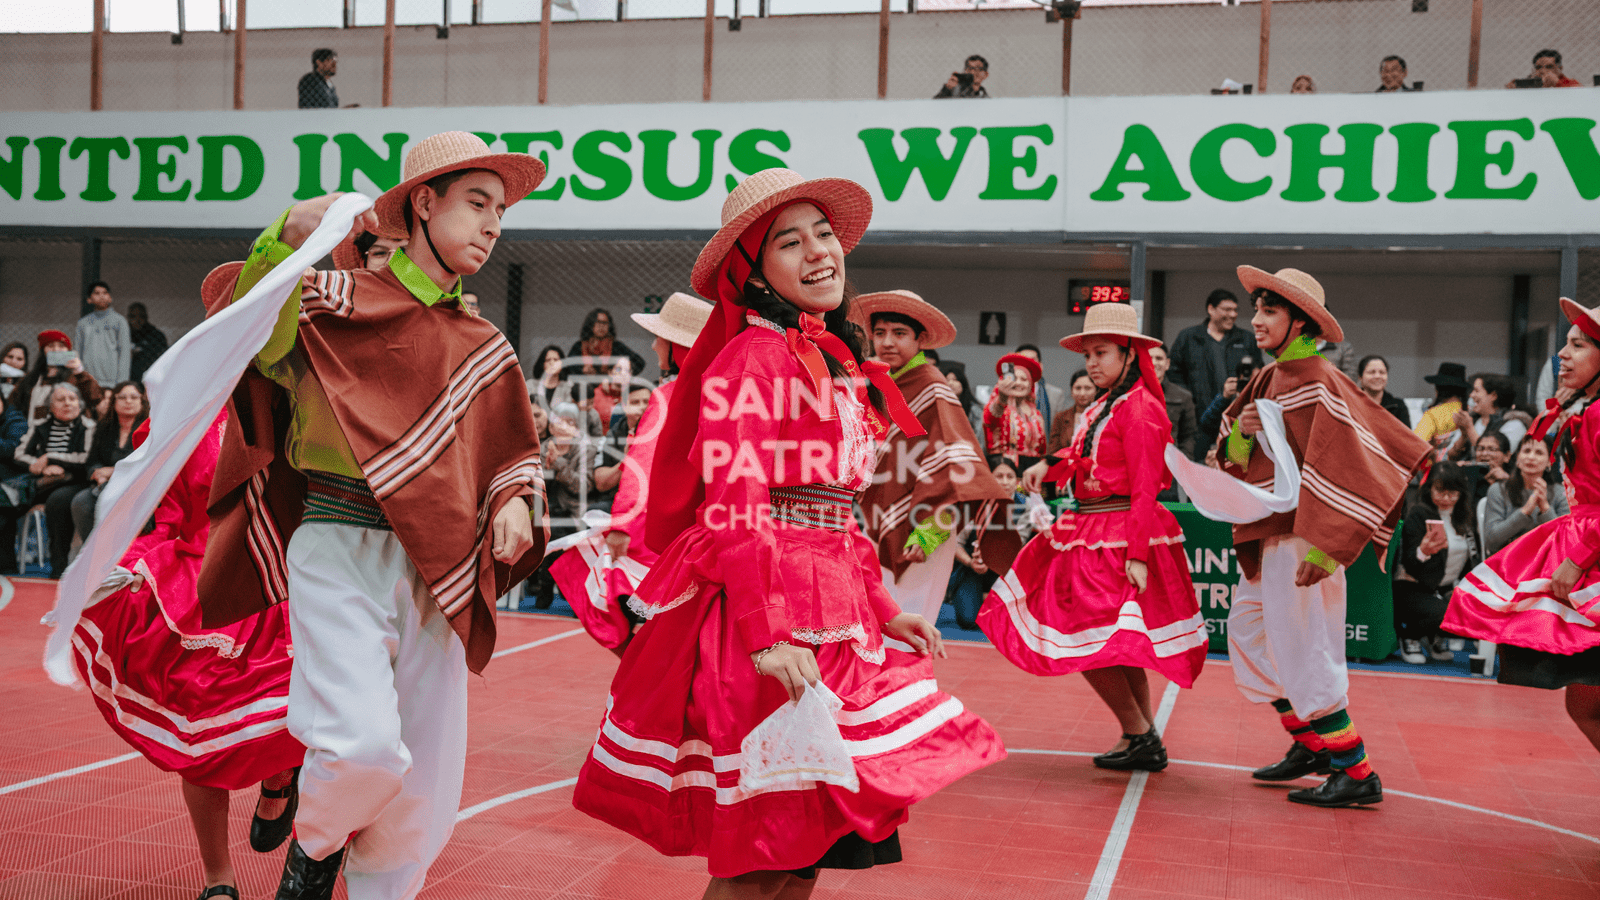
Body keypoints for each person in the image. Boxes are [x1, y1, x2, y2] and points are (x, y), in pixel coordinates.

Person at [572, 168, 1003, 895]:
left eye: (825, 235)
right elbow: (736, 504)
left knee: (808, 845)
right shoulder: (753, 358)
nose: (819, 253)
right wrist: (767, 634)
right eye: (790, 242)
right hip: (770, 617)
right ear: (753, 270)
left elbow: (837, 513)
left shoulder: (833, 363)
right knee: (764, 851)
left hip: (831, 615)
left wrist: (884, 608)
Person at [195, 131, 548, 900]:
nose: (493, 225)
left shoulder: (483, 344)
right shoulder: (327, 301)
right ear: (423, 203)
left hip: (438, 565)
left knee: (425, 789)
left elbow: (511, 454)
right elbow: (239, 329)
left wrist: (516, 502)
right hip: (335, 540)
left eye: (502, 212)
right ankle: (313, 852)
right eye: (477, 204)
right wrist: (286, 234)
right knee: (360, 747)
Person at [63, 411, 302, 900]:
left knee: (305, 715)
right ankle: (219, 880)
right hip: (200, 574)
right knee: (193, 727)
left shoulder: (298, 387)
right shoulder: (187, 400)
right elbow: (150, 502)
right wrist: (118, 558)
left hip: (289, 575)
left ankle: (282, 783)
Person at [1216, 266, 1429, 808]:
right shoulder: (1266, 380)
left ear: (1300, 322)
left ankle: (1356, 772)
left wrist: (1327, 544)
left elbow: (1361, 466)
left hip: (1303, 539)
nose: (1256, 321)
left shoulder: (1321, 380)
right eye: (1257, 309)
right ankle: (1312, 746)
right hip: (1270, 532)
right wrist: (1241, 437)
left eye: (1269, 311)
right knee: (1251, 635)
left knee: (1308, 652)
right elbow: (1237, 461)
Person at [984, 302, 1206, 772]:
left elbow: (1147, 485)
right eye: (1088, 353)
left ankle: (1140, 733)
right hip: (1092, 526)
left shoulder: (1140, 408)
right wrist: (1051, 464)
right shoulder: (1109, 404)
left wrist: (1139, 554)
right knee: (1115, 641)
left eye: (1101, 352)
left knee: (1087, 636)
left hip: (1118, 530)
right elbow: (1087, 453)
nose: (1091, 363)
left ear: (1129, 355)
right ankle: (1142, 735)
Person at [1446, 297, 1600, 757]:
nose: (1564, 355)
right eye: (1565, 345)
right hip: (1583, 547)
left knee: (1586, 702)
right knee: (1586, 703)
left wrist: (1576, 560)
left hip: (1588, 552)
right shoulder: (1582, 411)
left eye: (1579, 344)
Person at [551, 291, 714, 655]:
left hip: (653, 532)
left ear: (677, 348)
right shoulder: (715, 396)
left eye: (661, 338)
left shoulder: (668, 395)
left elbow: (643, 463)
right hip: (697, 531)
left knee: (588, 575)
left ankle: (638, 669)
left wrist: (621, 524)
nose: (653, 345)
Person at [854, 289, 1022, 642]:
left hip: (925, 526)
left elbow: (960, 469)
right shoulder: (881, 386)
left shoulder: (933, 386)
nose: (887, 342)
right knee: (880, 627)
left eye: (899, 333)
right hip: (876, 520)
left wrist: (931, 530)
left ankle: (914, 695)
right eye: (880, 332)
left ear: (920, 340)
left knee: (910, 626)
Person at [1393, 462, 1478, 665]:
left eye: (1453, 493)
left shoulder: (1464, 518)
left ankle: (1433, 636)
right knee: (1443, 613)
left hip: (1446, 589)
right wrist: (1424, 551)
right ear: (1429, 487)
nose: (1446, 498)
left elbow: (1470, 562)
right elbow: (1409, 563)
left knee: (1471, 612)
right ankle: (1410, 635)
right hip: (1413, 588)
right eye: (1440, 491)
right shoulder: (1418, 514)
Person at [15, 382, 96, 577]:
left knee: (58, 501)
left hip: (75, 482)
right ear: (51, 406)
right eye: (61, 399)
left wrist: (50, 457)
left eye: (72, 399)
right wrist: (42, 466)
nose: (67, 403)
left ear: (80, 404)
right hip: (43, 481)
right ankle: (7, 562)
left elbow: (85, 457)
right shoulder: (40, 425)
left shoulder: (88, 426)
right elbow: (20, 454)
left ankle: (59, 567)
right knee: (10, 499)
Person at [947, 455, 1023, 631]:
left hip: (1009, 572)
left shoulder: (1027, 506)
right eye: (999, 476)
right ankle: (983, 596)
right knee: (968, 620)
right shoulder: (972, 503)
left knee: (1012, 623)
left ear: (1017, 480)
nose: (1005, 482)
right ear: (988, 478)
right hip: (973, 568)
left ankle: (993, 597)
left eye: (1010, 477)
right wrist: (970, 561)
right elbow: (956, 543)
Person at [69, 380, 146, 551]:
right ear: (114, 402)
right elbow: (92, 460)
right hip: (104, 484)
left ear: (142, 402)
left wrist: (113, 471)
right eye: (122, 397)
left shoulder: (149, 429)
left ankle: (122, 557)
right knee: (81, 502)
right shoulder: (104, 427)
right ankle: (95, 555)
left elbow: (148, 462)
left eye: (134, 397)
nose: (128, 401)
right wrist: (97, 473)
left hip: (137, 487)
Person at [1166, 288, 1254, 416]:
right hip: (1197, 415)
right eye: (1227, 309)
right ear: (1211, 309)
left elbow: (1257, 374)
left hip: (1235, 414)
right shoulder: (1188, 337)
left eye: (1235, 310)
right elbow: (1174, 374)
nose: (1233, 314)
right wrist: (1189, 400)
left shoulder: (1247, 339)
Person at [1483, 433, 1568, 556]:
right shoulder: (1498, 490)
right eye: (1526, 451)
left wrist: (1545, 508)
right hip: (1506, 562)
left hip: (1548, 562)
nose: (1531, 457)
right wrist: (1526, 511)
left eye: (1539, 453)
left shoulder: (1561, 493)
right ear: (1517, 458)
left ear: (1550, 461)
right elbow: (1491, 541)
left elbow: (1565, 541)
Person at [13, 330, 103, 428]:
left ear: (68, 350)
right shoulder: (31, 378)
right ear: (43, 350)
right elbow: (15, 404)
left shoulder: (77, 377)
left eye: (61, 346)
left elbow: (95, 399)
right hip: (36, 432)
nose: (56, 350)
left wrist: (80, 372)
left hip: (71, 432)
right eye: (51, 346)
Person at [1448, 372, 1530, 462]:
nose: (1471, 395)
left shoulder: (1514, 424)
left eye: (1476, 391)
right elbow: (1451, 457)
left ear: (1493, 396)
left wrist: (1469, 429)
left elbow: (1497, 459)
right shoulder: (1473, 420)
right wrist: (1463, 435)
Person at [984, 353, 1047, 461]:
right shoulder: (999, 405)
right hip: (1004, 469)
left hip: (1031, 471)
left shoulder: (1036, 414)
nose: (1018, 383)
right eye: (1014, 378)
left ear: (1030, 384)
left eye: (1024, 379)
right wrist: (1002, 397)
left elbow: (1042, 450)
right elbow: (990, 417)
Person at [569, 307, 648, 386]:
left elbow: (639, 363)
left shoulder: (616, 347)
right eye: (598, 322)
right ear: (590, 324)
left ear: (609, 326)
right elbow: (567, 368)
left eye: (605, 323)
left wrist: (618, 373)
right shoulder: (579, 346)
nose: (601, 326)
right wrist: (582, 370)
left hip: (611, 390)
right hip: (585, 390)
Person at [76, 280, 131, 386]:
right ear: (89, 299)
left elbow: (124, 352)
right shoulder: (82, 323)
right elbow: (78, 351)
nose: (101, 296)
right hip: (88, 380)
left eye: (105, 293)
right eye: (97, 293)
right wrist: (80, 378)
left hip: (112, 381)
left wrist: (121, 382)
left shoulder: (119, 321)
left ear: (110, 298)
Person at [1148, 345, 1197, 461]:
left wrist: (1181, 465)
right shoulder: (1131, 393)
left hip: (1169, 466)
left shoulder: (1183, 396)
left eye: (1159, 358)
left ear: (1167, 364)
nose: (1154, 363)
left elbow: (1189, 437)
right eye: (1150, 358)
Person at [1414, 362, 1471, 453]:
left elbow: (1417, 443)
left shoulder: (1433, 414)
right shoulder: (1470, 411)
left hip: (1440, 464)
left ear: (1438, 388)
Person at [935, 359, 985, 451]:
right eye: (946, 380)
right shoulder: (937, 407)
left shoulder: (974, 409)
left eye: (955, 380)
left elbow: (980, 438)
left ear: (963, 384)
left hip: (969, 454)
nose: (950, 383)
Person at [1047, 369, 1096, 455]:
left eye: (1088, 388)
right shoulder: (1061, 417)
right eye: (1078, 388)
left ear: (1096, 390)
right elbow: (1053, 451)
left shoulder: (1102, 415)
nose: (1082, 393)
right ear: (1071, 391)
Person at [1014, 343, 1064, 425]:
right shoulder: (1005, 393)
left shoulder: (1056, 395)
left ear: (1040, 366)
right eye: (1023, 361)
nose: (1028, 365)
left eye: (1032, 361)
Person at [1356, 354, 1410, 428]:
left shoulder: (1398, 406)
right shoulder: (1351, 404)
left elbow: (1406, 438)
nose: (1377, 376)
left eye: (1382, 372)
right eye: (1371, 372)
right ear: (1360, 377)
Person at [1467, 430, 1512, 509]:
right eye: (1480, 449)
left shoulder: (1512, 479)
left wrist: (1506, 481)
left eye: (1492, 449)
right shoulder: (1469, 476)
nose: (1484, 454)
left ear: (1507, 456)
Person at [126, 302, 169, 384]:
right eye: (133, 316)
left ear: (146, 317)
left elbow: (162, 361)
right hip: (127, 381)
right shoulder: (122, 334)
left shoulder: (156, 336)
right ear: (128, 317)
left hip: (149, 380)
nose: (137, 320)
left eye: (141, 316)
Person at [1505, 48, 1583, 88]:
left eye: (1549, 67)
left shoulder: (1569, 83)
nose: (1543, 71)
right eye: (1538, 67)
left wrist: (1557, 83)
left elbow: (1580, 95)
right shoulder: (1530, 85)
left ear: (1560, 69)